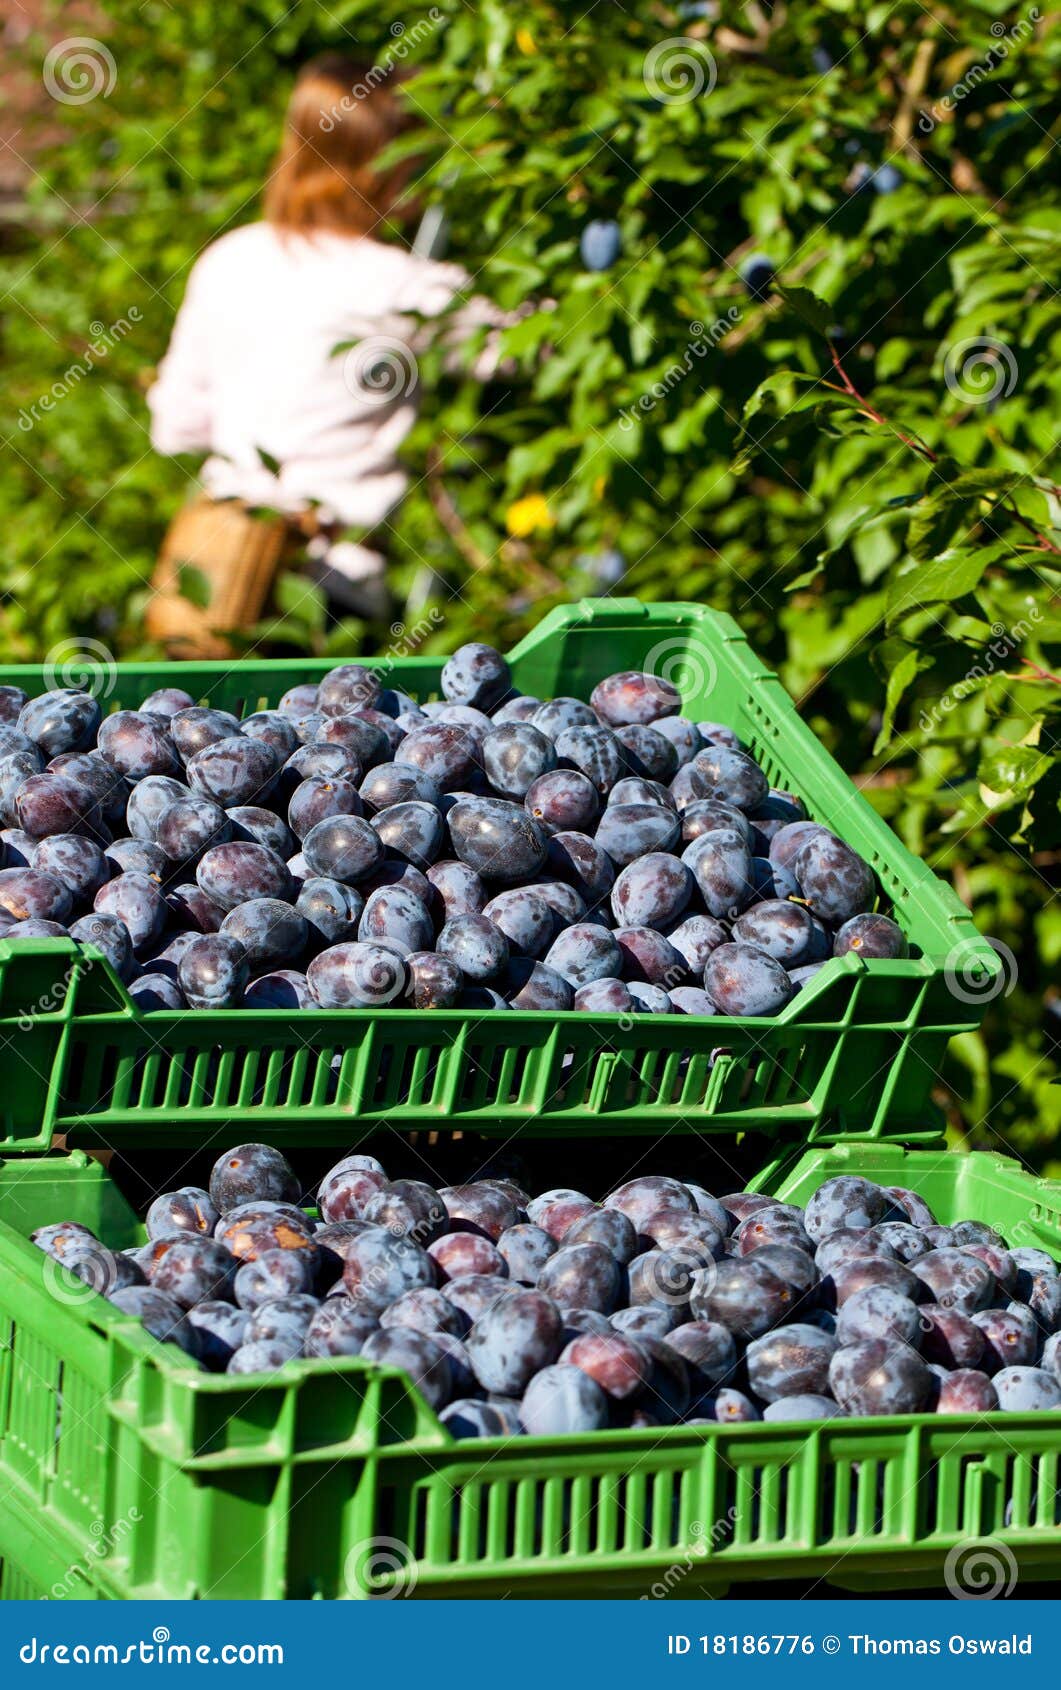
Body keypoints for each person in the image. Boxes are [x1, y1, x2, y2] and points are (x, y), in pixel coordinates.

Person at [146, 53, 505, 652]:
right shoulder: (404, 285)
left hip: (217, 574)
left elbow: (175, 429)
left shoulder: (229, 259)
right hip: (336, 593)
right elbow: (534, 347)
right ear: (387, 165)